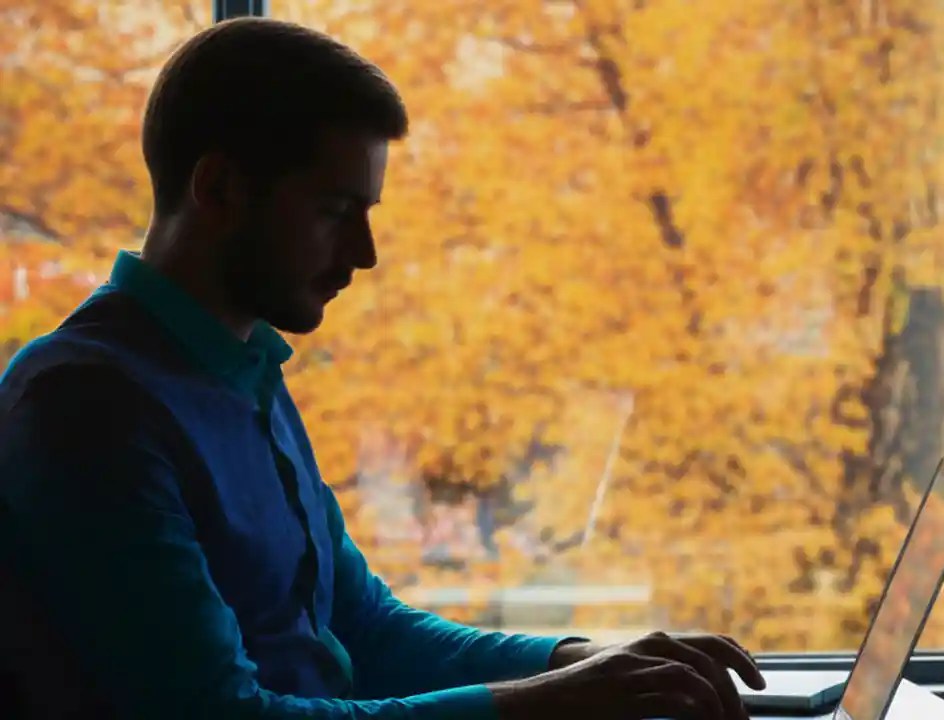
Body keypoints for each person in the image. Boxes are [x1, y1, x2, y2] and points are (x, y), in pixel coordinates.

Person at [0, 17, 764, 720]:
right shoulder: (85, 404)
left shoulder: (244, 372)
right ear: (219, 188)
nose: (364, 255)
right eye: (336, 211)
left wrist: (590, 662)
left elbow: (364, 627)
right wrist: (541, 704)